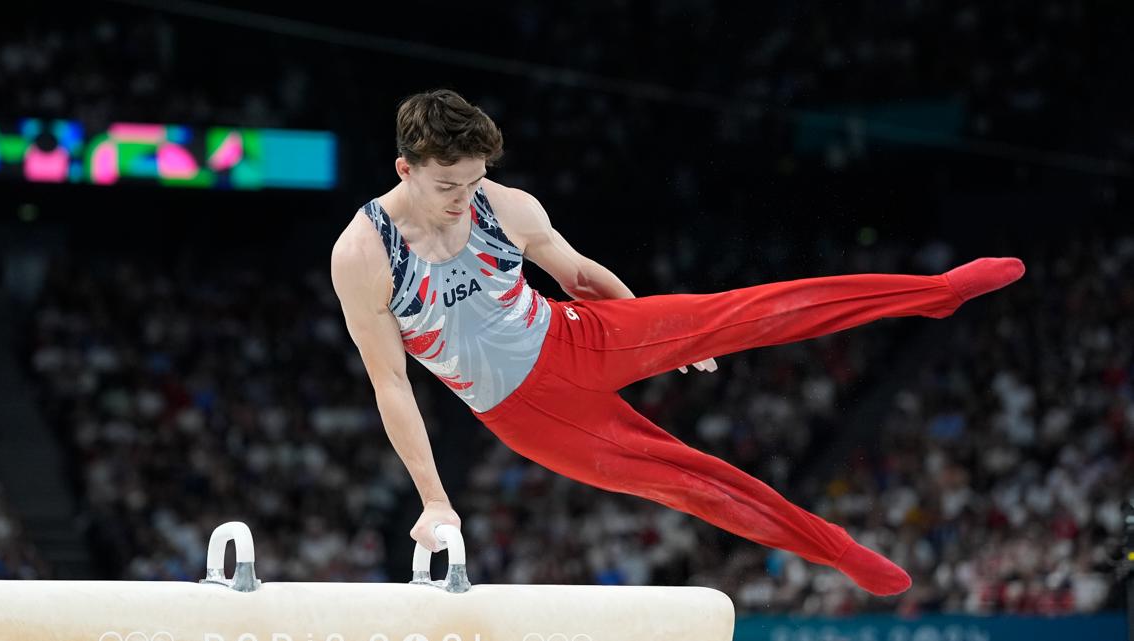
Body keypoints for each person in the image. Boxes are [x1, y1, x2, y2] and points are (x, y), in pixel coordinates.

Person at [329, 89, 1025, 596]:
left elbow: (576, 275)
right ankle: (838, 550)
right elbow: (392, 383)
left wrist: (662, 331)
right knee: (690, 479)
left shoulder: (504, 205)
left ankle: (934, 293)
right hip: (529, 413)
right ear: (405, 169)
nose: (464, 197)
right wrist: (435, 499)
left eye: (474, 180)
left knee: (744, 310)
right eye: (450, 184)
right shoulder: (365, 255)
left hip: (576, 335)